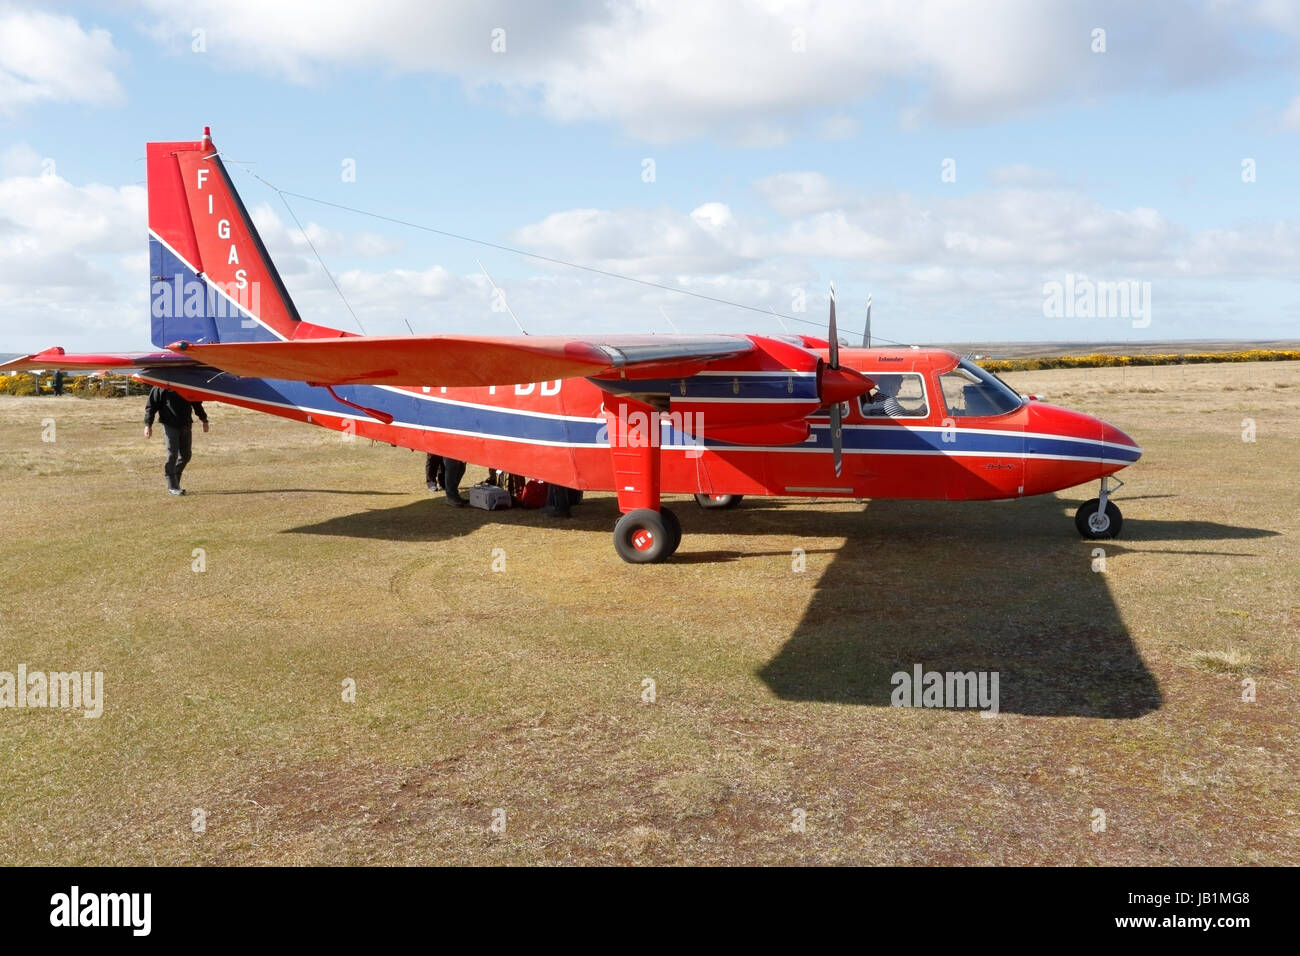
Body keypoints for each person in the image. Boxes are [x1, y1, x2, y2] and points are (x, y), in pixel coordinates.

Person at [144, 386, 208, 495]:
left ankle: (175, 481)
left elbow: (196, 403)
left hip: (186, 423)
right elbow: (151, 406)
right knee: (172, 454)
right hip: (169, 424)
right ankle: (172, 486)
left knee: (186, 455)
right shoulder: (159, 387)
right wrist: (148, 425)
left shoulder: (186, 385)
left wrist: (204, 419)